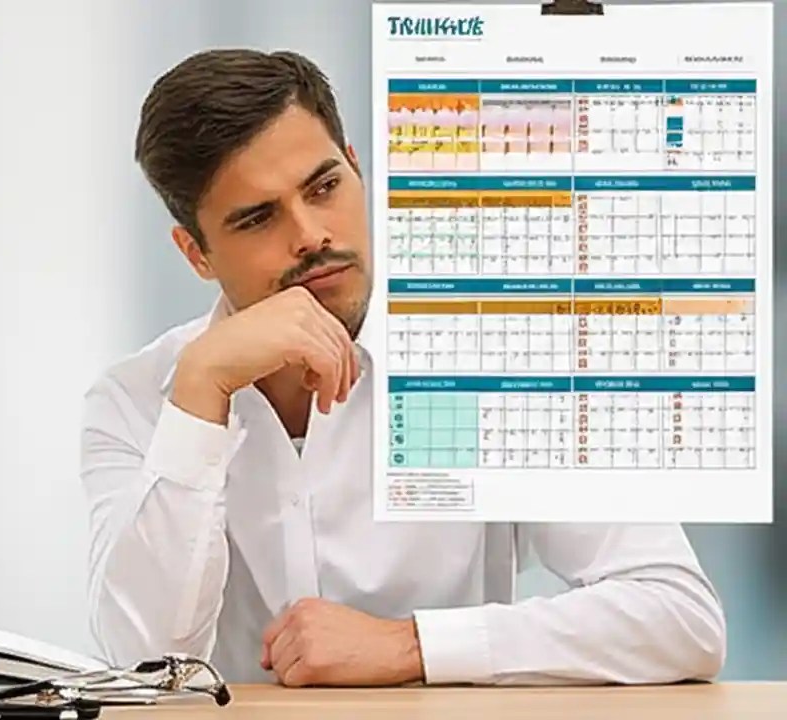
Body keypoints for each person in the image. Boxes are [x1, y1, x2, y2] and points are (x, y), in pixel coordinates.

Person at [79, 48, 726, 687]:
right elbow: (145, 667)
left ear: (358, 168)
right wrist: (201, 391)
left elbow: (680, 617)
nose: (310, 234)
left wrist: (414, 645)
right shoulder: (133, 400)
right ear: (197, 253)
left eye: (325, 186)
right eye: (257, 218)